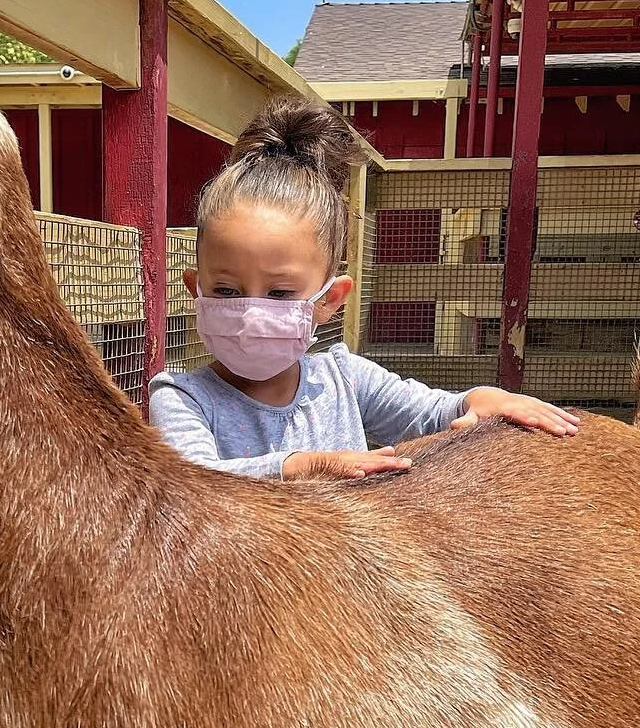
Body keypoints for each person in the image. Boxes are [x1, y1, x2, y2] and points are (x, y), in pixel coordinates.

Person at [149, 97, 579, 480]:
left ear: (329, 299)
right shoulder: (181, 397)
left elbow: (429, 412)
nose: (250, 314)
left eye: (280, 294)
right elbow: (192, 480)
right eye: (227, 291)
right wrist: (300, 466)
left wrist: (478, 398)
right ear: (196, 288)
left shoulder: (345, 378)